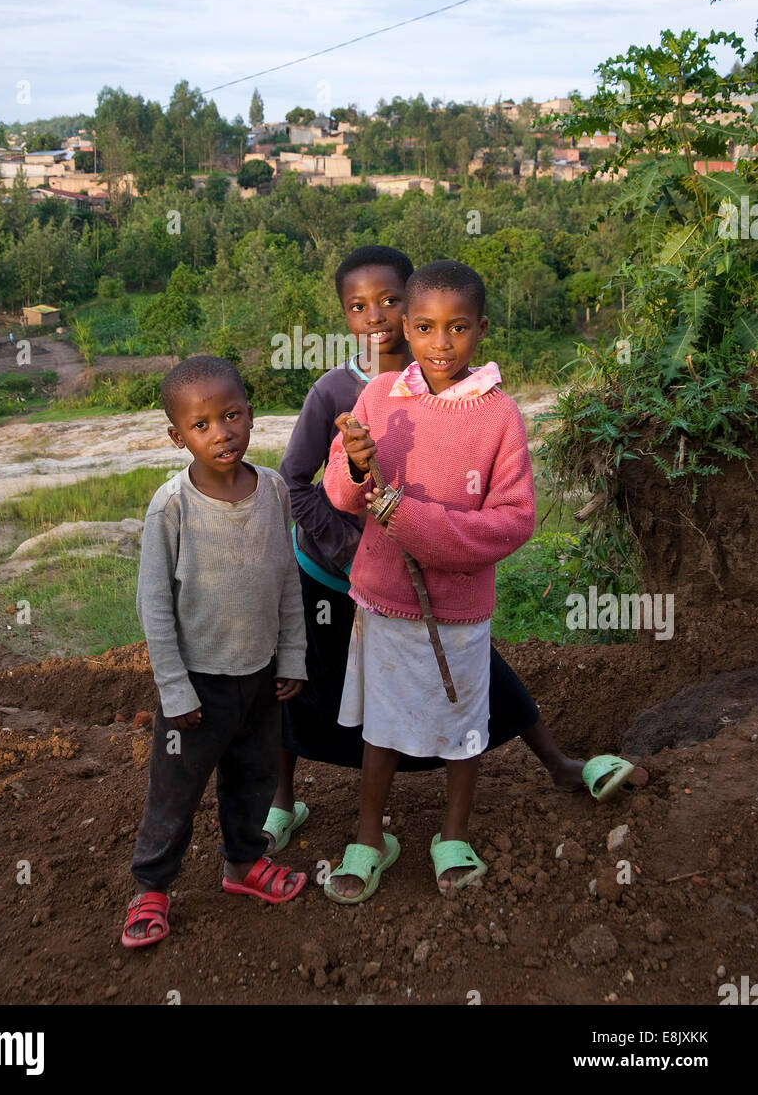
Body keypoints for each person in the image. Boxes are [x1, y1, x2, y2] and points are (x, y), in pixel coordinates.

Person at [265, 244, 634, 859]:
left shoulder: (472, 401)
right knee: (304, 681)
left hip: (437, 581)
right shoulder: (343, 391)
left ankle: (549, 768)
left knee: (471, 676)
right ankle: (283, 801)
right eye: (361, 307)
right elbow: (304, 483)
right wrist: (353, 543)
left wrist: (408, 524)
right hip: (340, 573)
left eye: (389, 301)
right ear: (349, 317)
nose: (377, 316)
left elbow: (504, 516)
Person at [321, 258, 536, 900]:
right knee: (382, 725)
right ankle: (369, 836)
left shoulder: (500, 417)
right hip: (386, 600)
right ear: (405, 330)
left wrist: (410, 519)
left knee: (462, 723)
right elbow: (338, 494)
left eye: (458, 328)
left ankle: (454, 833)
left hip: (461, 609)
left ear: (482, 330)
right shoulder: (376, 400)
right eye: (425, 327)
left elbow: (512, 522)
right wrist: (357, 467)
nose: (441, 344)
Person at [121, 355, 308, 947]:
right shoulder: (172, 507)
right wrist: (173, 687)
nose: (221, 432)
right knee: (175, 791)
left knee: (252, 777)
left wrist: (293, 656)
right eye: (201, 425)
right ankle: (151, 887)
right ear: (178, 437)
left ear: (250, 414)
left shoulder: (274, 489)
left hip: (260, 677)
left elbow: (287, 580)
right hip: (197, 686)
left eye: (231, 415)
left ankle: (243, 864)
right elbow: (153, 605)